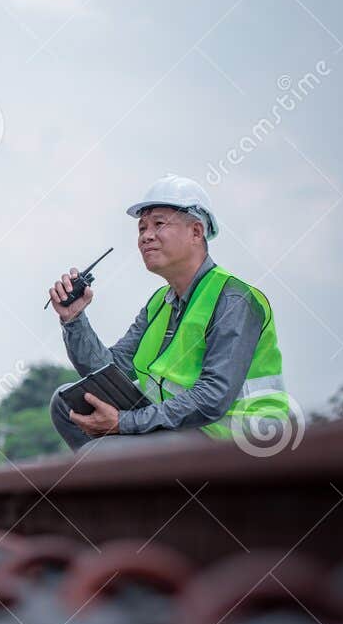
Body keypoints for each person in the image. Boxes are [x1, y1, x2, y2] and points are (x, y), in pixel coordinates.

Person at [49, 175, 291, 450]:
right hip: (179, 428)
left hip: (234, 439)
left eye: (159, 224)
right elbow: (107, 373)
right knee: (65, 403)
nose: (146, 236)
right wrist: (74, 319)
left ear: (196, 232)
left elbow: (212, 399)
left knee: (98, 455)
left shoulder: (234, 299)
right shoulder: (159, 304)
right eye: (142, 228)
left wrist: (126, 422)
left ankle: (119, 483)